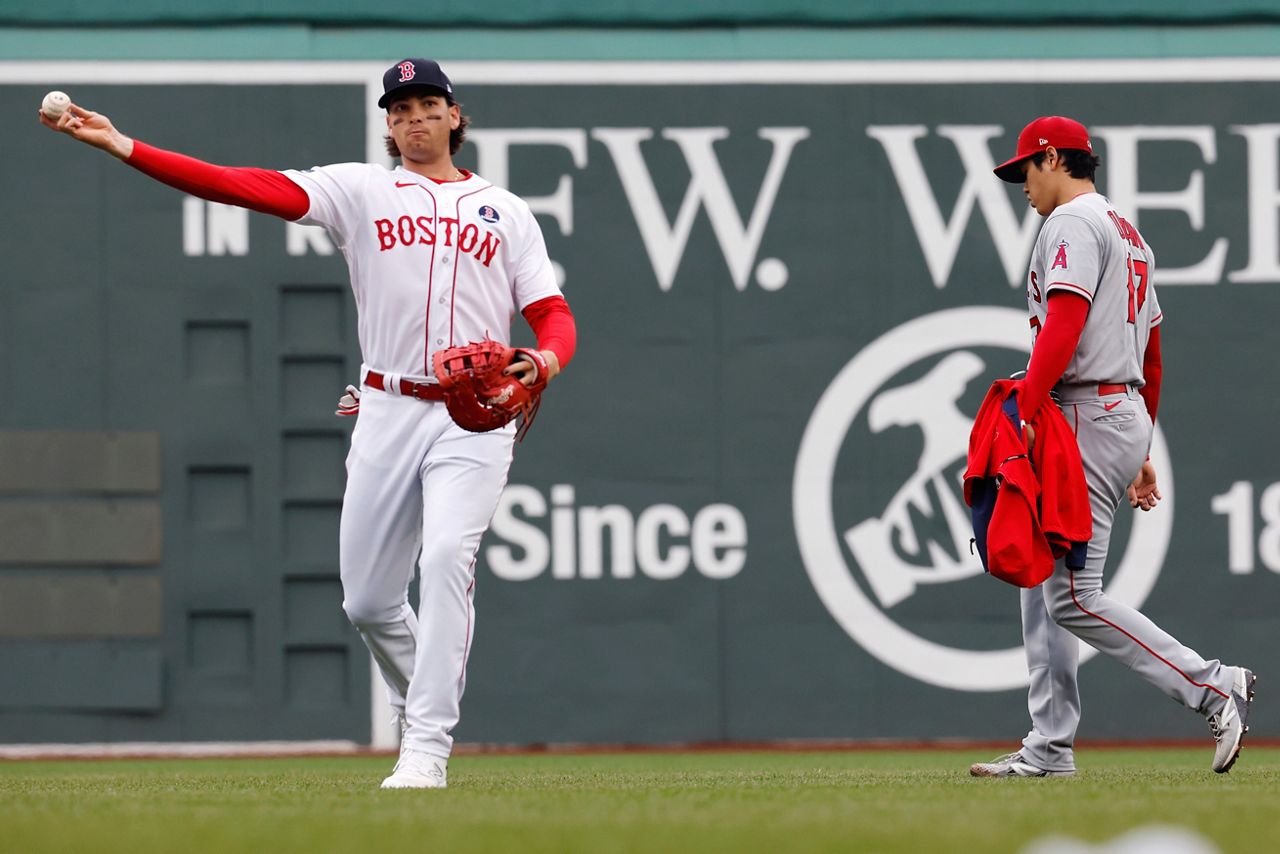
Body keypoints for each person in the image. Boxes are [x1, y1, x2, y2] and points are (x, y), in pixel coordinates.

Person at [40, 58, 577, 789]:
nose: (413, 117)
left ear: (455, 114)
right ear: (387, 125)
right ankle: (421, 697)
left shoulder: (506, 210)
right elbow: (240, 184)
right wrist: (125, 145)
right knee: (369, 600)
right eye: (400, 109)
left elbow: (552, 314)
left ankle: (427, 746)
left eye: (427, 104)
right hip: (386, 406)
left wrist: (544, 362)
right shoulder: (361, 191)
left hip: (472, 417)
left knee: (449, 554)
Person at [969, 116, 1253, 778]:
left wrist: (1030, 407)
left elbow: (1063, 326)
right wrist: (1141, 440)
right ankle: (1050, 746)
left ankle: (1211, 685)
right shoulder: (1130, 234)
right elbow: (1150, 355)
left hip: (1081, 413)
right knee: (1041, 578)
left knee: (1073, 596)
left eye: (1025, 172)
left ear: (1051, 158)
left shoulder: (1070, 223)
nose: (1023, 187)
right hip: (1113, 409)